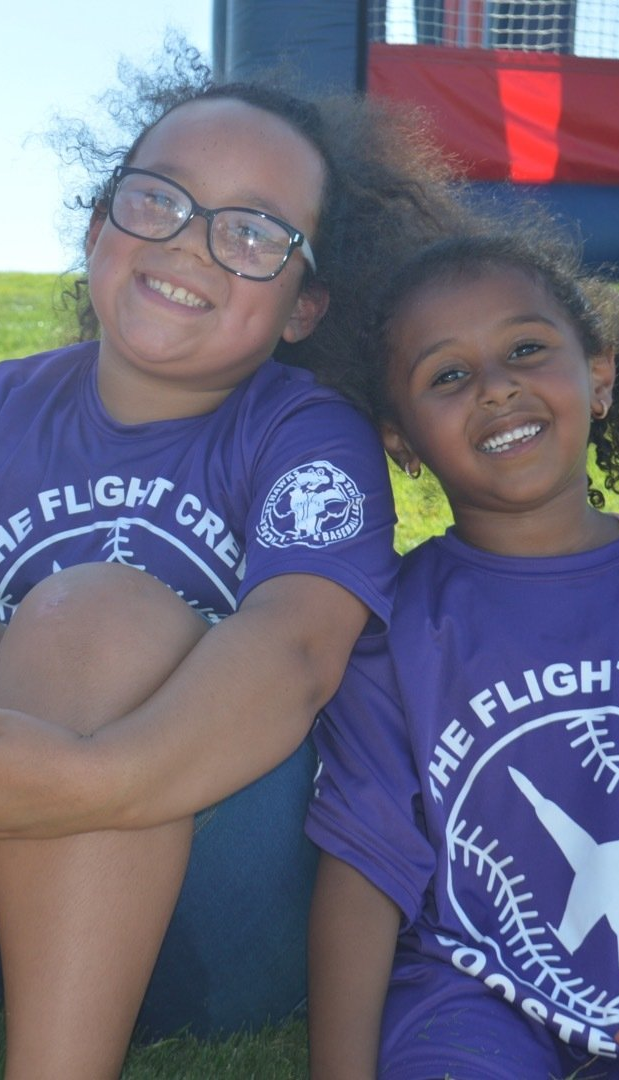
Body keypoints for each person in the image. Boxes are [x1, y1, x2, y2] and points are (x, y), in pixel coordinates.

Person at [0, 49, 470, 1079]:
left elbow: (297, 649)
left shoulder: (305, 431)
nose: (195, 244)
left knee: (93, 614)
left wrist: (96, 778)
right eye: (159, 200)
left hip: (219, 915)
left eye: (257, 231)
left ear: (306, 305)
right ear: (99, 227)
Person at [306, 228, 619, 1078]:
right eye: (448, 376)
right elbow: (365, 865)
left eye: (526, 348)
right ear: (401, 439)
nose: (496, 388)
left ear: (599, 377)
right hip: (473, 992)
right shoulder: (397, 623)